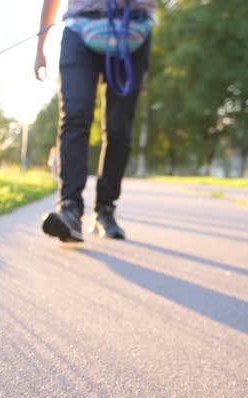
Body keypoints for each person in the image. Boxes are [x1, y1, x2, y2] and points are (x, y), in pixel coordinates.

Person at [34, 0, 156, 242]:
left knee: (119, 128)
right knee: (75, 116)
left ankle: (105, 210)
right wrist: (41, 48)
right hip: (80, 28)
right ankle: (70, 208)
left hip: (133, 31)